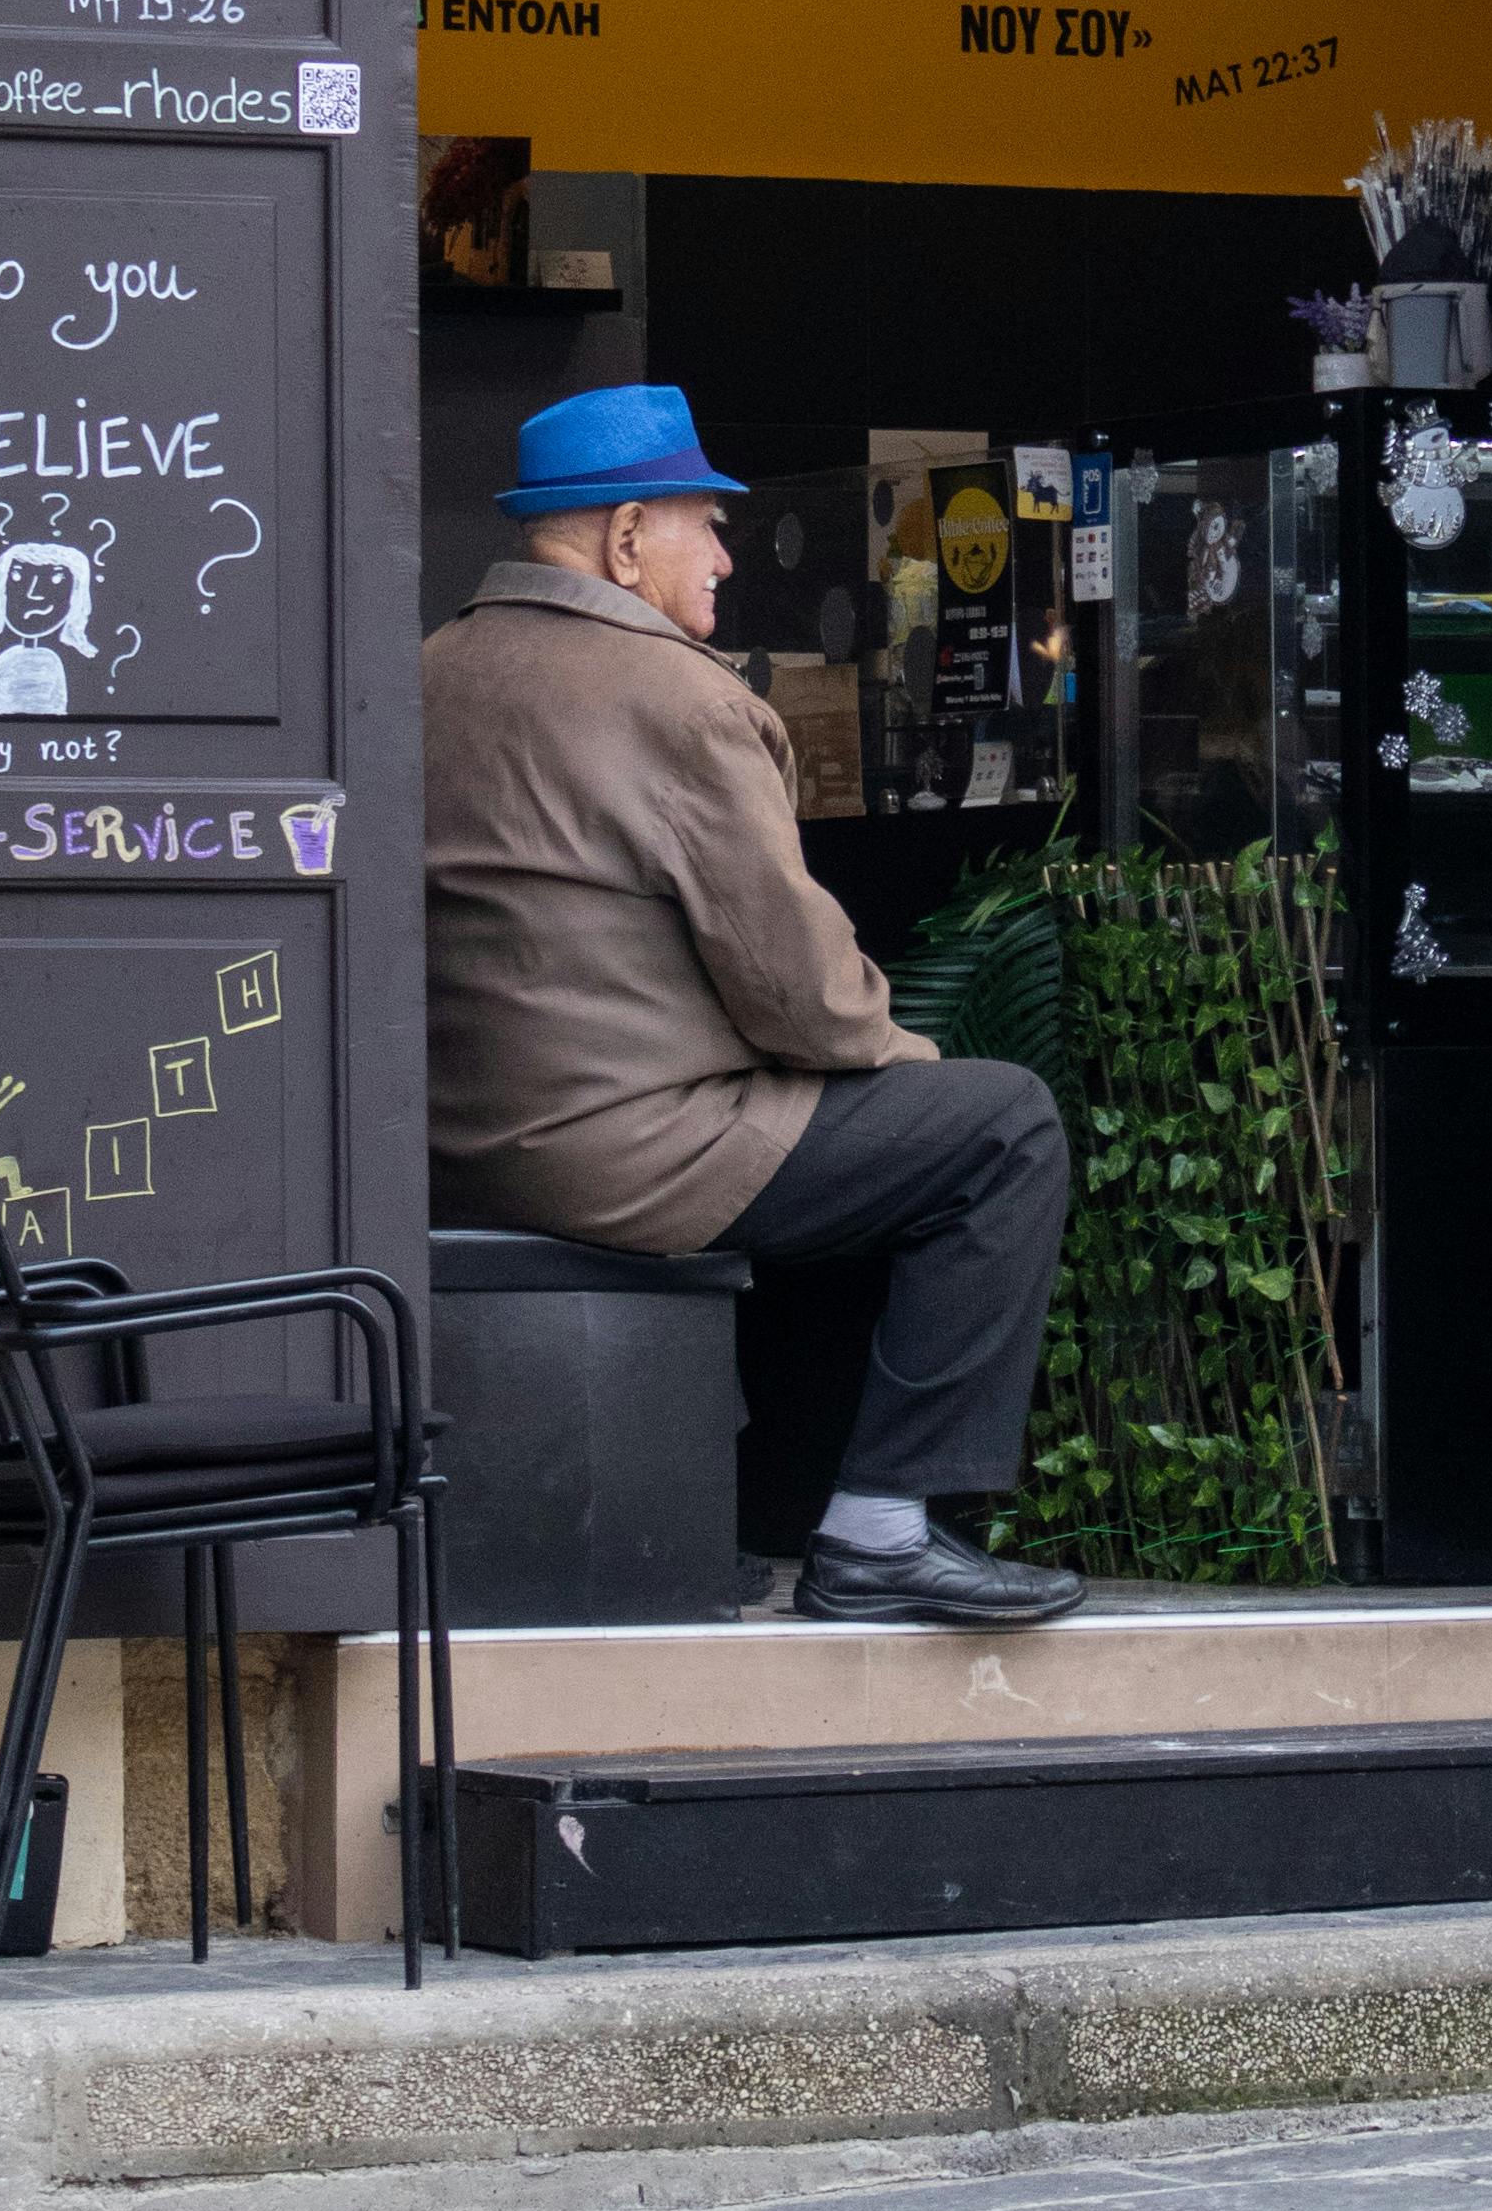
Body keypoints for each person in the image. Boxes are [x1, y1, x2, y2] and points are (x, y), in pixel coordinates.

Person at [422, 383, 1083, 1631]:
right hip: (622, 1155)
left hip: (454, 1157)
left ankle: (730, 1522)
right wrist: (908, 1056)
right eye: (703, 524)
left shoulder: (425, 676)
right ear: (625, 538)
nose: (726, 556)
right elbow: (806, 998)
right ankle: (884, 1529)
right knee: (994, 1127)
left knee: (864, 1148)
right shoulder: (682, 699)